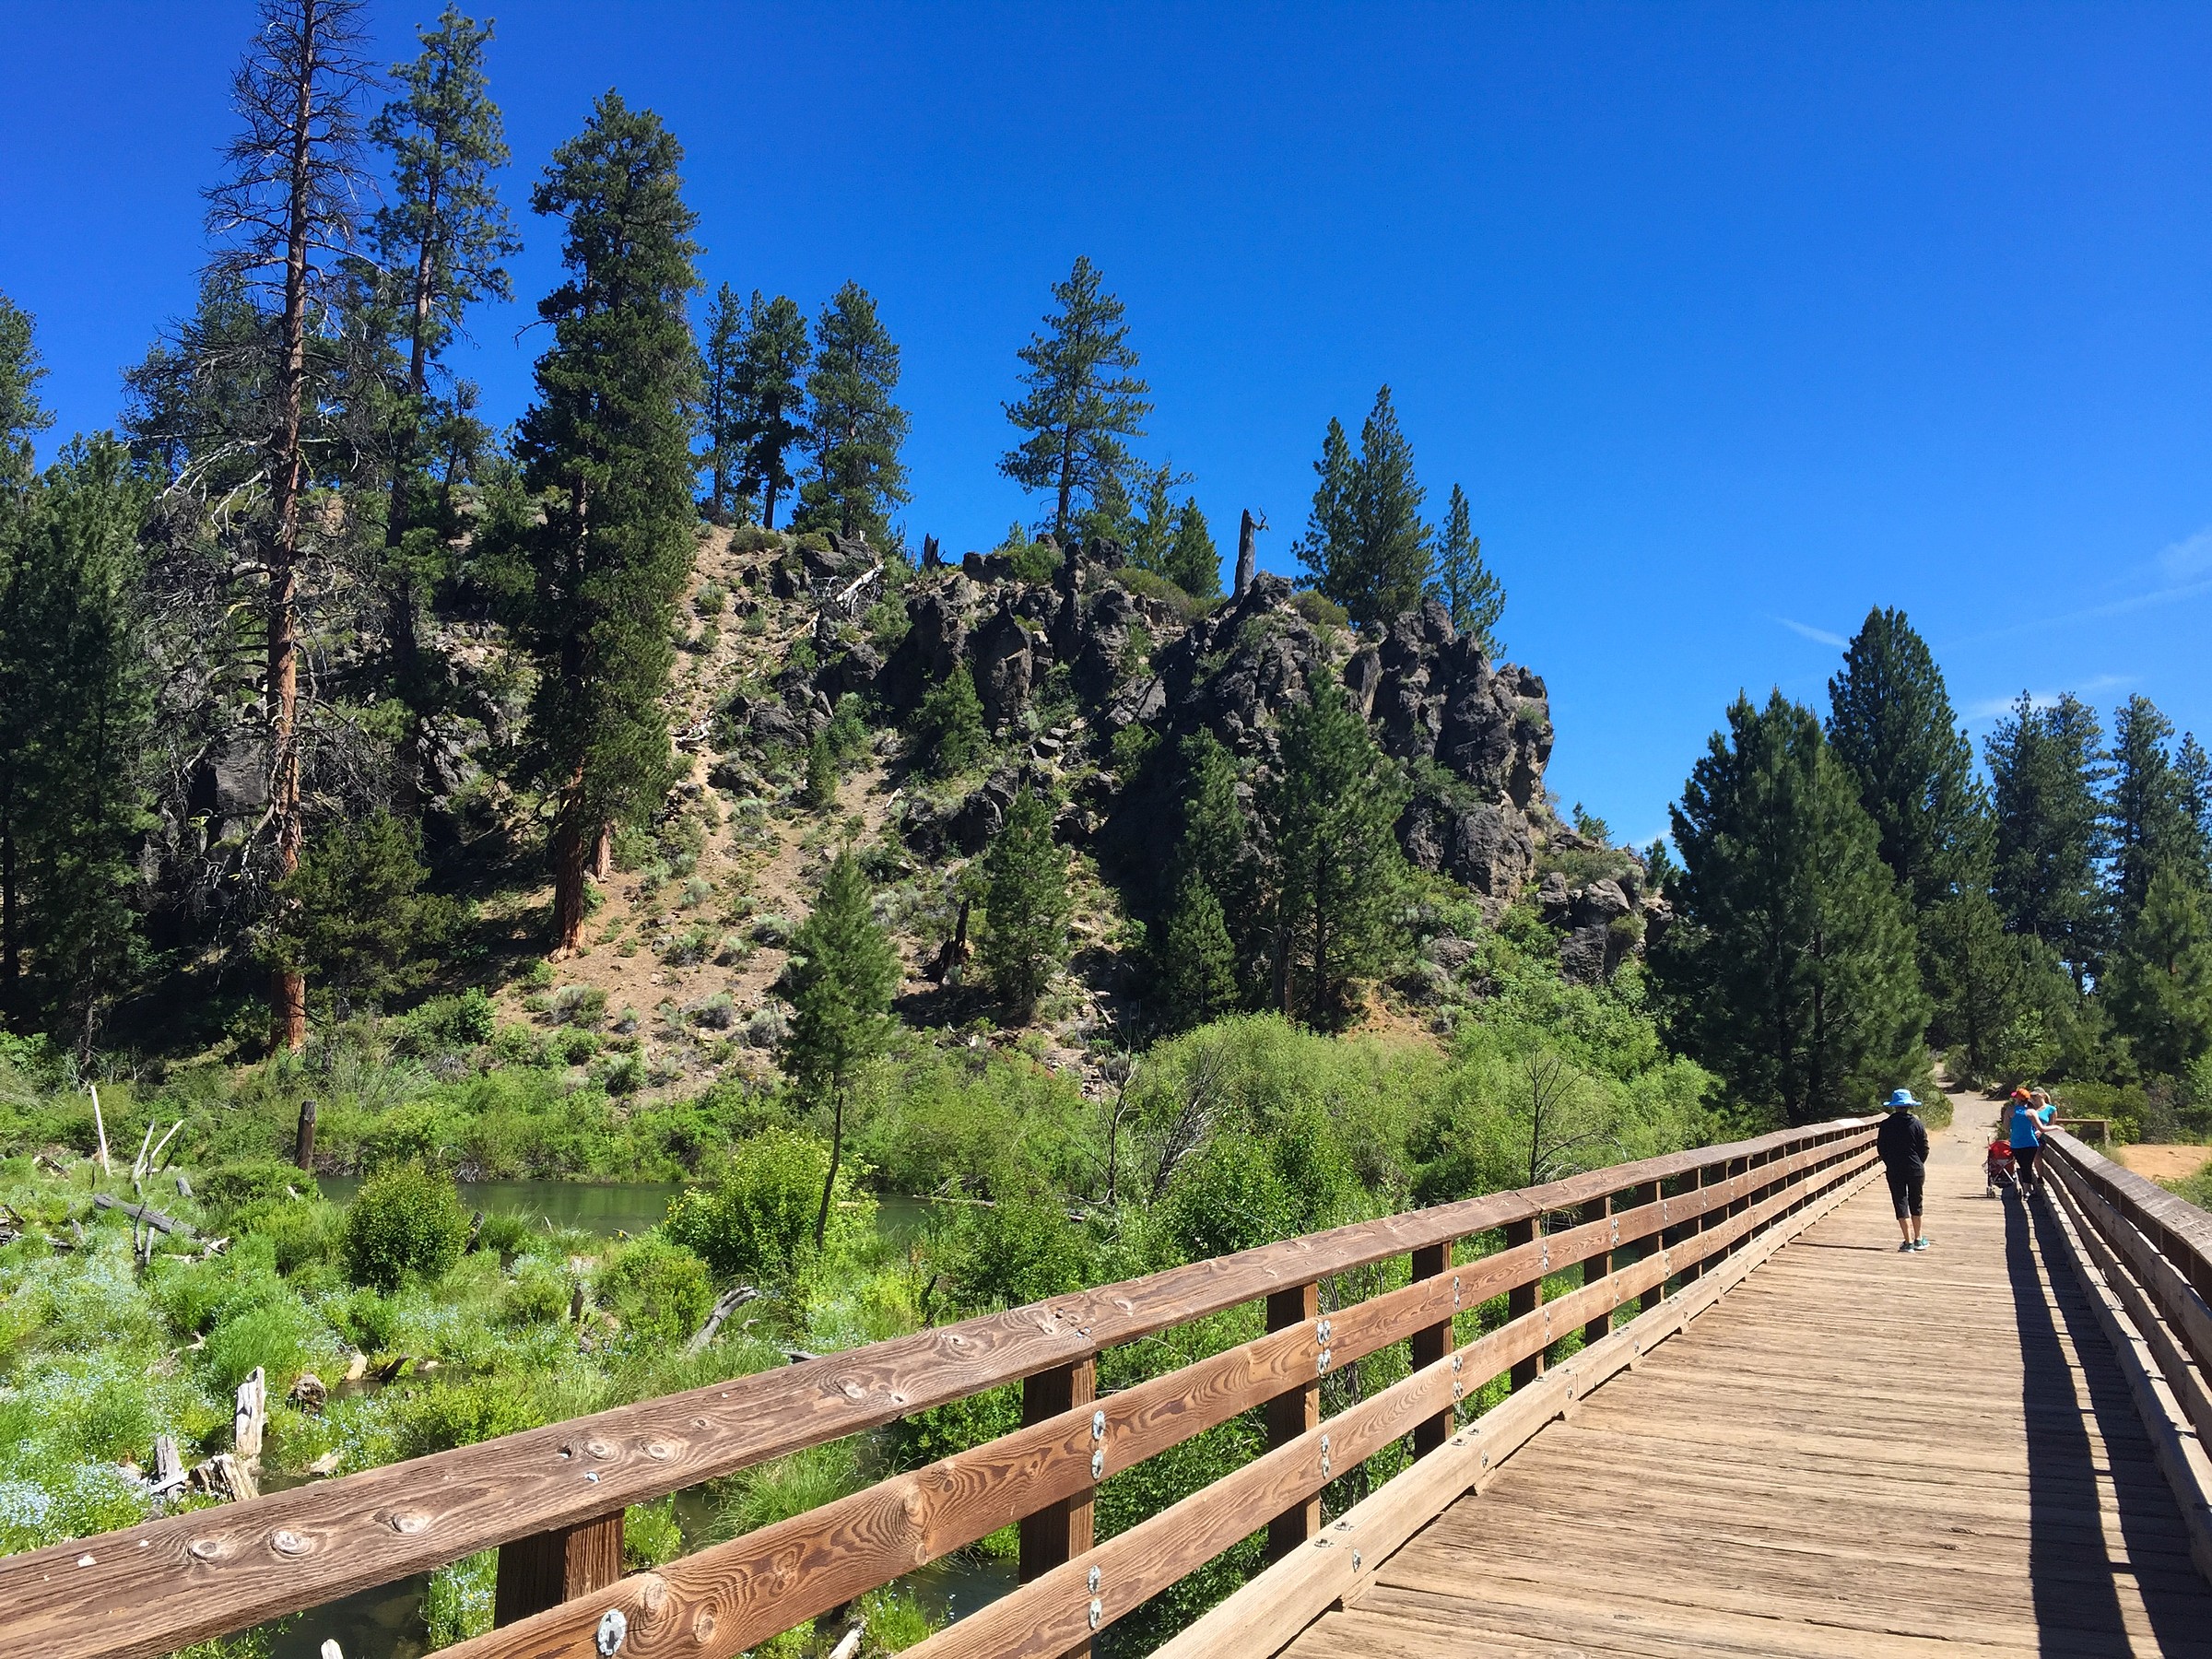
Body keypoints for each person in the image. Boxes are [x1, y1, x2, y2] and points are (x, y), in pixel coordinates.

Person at [1877, 1088, 1931, 1252]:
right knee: (1916, 1201)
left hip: (1895, 1168)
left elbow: (1882, 1148)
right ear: (1909, 1106)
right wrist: (1918, 1163)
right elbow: (1925, 1148)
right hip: (1915, 1168)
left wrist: (1890, 1162)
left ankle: (1907, 1242)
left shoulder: (1886, 1124)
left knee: (1900, 1202)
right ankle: (1919, 1239)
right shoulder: (1917, 1124)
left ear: (1894, 1107)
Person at [2006, 1087, 2057, 1196]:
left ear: (2018, 1099)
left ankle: (2027, 1190)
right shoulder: (2031, 1112)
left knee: (2023, 1165)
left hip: (2016, 1143)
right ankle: (2027, 1190)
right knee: (2027, 1166)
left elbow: (2006, 1127)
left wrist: (2016, 1128)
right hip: (2030, 1142)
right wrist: (2056, 1127)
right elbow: (2042, 1129)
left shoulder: (2010, 1110)